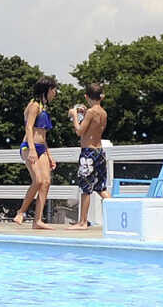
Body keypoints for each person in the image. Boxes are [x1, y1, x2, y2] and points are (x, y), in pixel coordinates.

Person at [12, 76, 58, 229]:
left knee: (46, 182)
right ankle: (21, 212)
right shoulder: (34, 106)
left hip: (41, 148)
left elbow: (43, 135)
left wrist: (49, 155)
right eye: (53, 90)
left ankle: (37, 220)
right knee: (37, 180)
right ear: (46, 90)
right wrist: (32, 149)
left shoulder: (44, 107)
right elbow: (29, 128)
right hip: (28, 146)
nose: (55, 93)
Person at [68, 82, 110, 230]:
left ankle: (83, 222)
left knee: (86, 188)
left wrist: (74, 116)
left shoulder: (91, 112)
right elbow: (93, 129)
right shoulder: (103, 112)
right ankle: (116, 214)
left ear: (87, 96)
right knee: (101, 188)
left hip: (88, 153)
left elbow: (80, 131)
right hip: (100, 152)